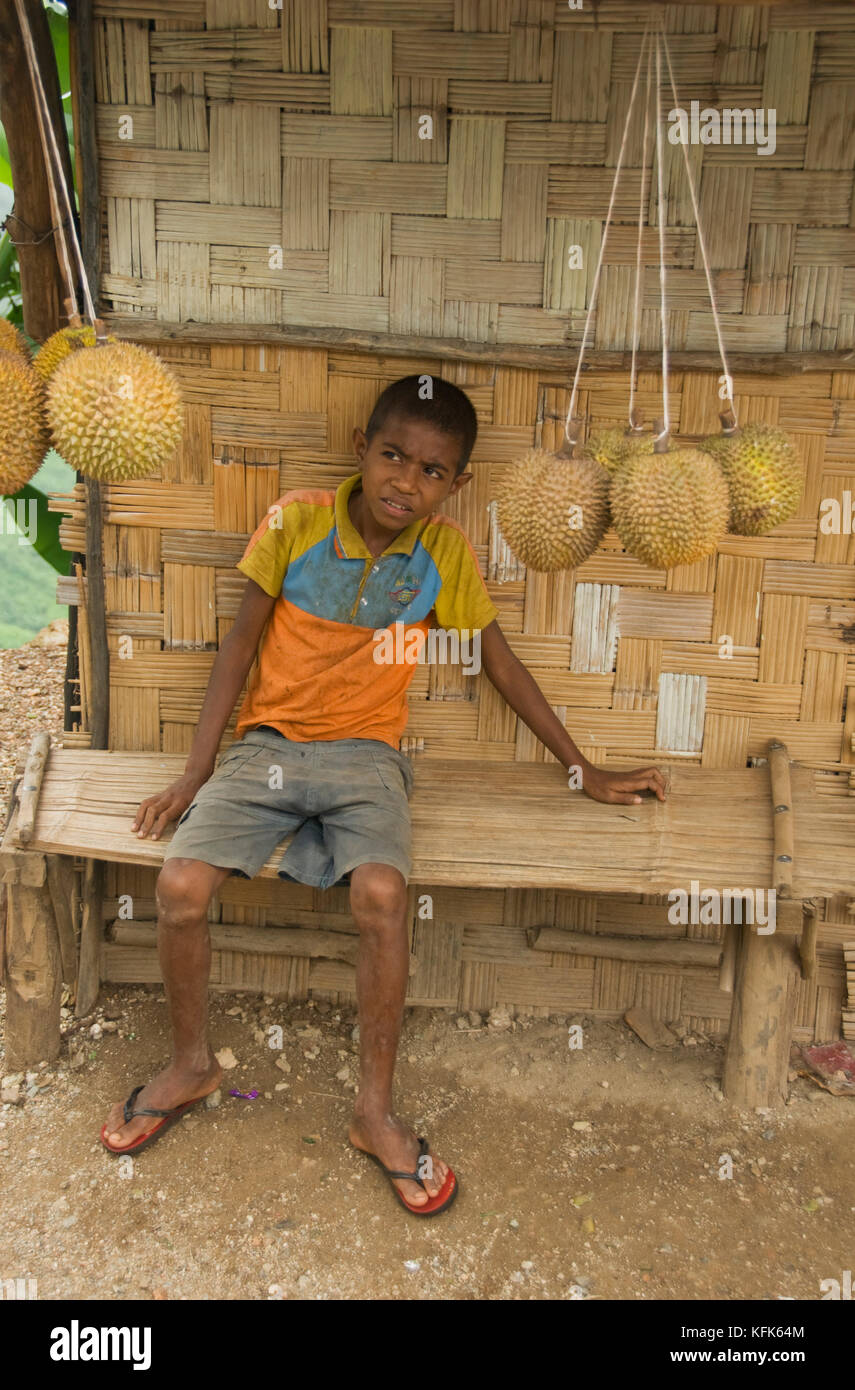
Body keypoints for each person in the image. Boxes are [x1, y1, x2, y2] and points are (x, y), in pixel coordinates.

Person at [101, 374, 667, 1215]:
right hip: (268, 750)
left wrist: (582, 769)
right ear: (362, 450)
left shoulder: (442, 557)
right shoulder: (294, 522)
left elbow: (498, 664)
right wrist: (194, 773)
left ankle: (374, 1112)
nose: (407, 481)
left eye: (432, 471)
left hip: (368, 757)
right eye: (393, 456)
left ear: (457, 485)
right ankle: (190, 1065)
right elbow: (236, 647)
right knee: (179, 886)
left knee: (381, 893)